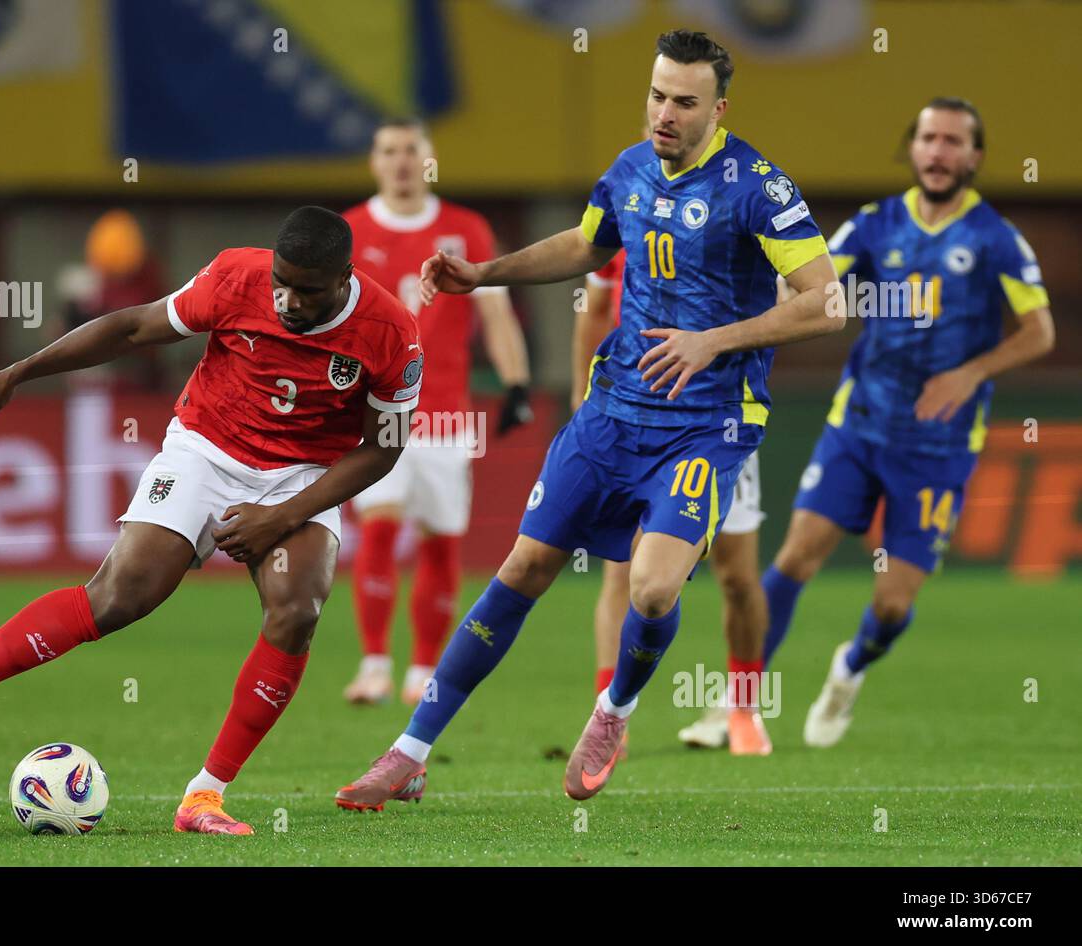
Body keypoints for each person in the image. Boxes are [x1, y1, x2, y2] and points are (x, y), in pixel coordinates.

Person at [335, 29, 843, 811]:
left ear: (719, 108)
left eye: (683, 101)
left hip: (704, 424)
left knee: (650, 591)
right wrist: (484, 274)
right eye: (656, 94)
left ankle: (613, 712)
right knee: (523, 569)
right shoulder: (630, 169)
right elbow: (583, 244)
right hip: (611, 412)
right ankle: (409, 752)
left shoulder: (757, 186)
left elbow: (825, 301)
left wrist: (715, 341)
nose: (663, 113)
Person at [0, 207, 425, 836]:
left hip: (298, 476)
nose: (288, 299)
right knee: (121, 597)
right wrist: (21, 371)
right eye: (281, 283)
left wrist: (283, 515)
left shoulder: (390, 333)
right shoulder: (238, 276)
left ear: (345, 276)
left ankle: (203, 798)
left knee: (298, 611)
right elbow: (131, 329)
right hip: (206, 449)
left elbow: (385, 445)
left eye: (308, 291)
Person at [757, 98, 1055, 747]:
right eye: (929, 139)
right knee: (795, 556)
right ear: (913, 149)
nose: (940, 152)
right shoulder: (874, 224)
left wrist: (973, 372)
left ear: (974, 156)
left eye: (954, 141)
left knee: (892, 605)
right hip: (858, 423)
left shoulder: (995, 239)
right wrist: (772, 299)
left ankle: (850, 667)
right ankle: (738, 699)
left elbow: (1040, 332)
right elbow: (814, 287)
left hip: (938, 444)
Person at [342, 118, 533, 707]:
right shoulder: (349, 230)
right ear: (375, 162)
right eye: (390, 151)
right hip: (375, 410)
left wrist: (517, 384)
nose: (401, 162)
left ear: (429, 161)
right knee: (380, 521)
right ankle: (374, 662)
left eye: (411, 151)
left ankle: (422, 667)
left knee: (441, 538)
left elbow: (497, 316)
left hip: (446, 411)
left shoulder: (465, 229)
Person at [579, 249, 770, 756]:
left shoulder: (738, 223)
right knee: (622, 573)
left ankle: (745, 707)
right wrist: (586, 404)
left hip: (718, 428)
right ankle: (607, 720)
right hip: (632, 427)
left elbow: (794, 310)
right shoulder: (621, 224)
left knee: (737, 578)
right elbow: (594, 315)